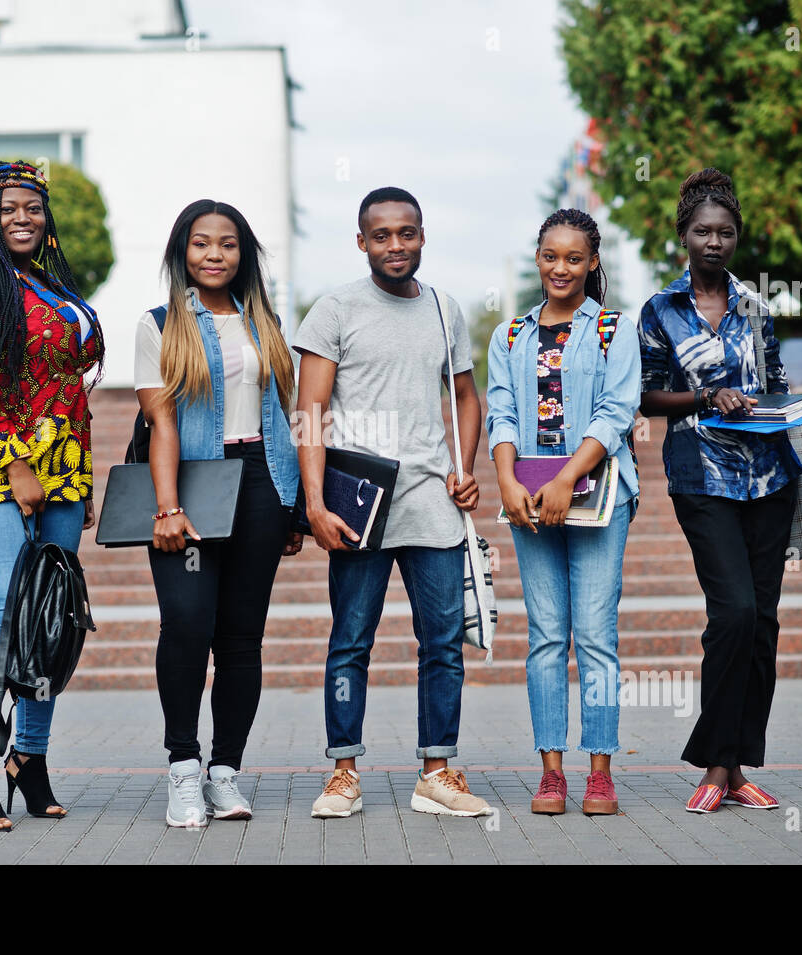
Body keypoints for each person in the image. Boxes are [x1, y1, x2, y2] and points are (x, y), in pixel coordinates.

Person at [295, 186, 491, 819]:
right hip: (360, 508)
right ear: (362, 242)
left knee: (443, 642)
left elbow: (466, 397)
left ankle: (437, 772)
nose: (395, 245)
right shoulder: (335, 309)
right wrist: (315, 504)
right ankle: (343, 774)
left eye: (406, 233)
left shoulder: (444, 309)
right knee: (351, 640)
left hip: (432, 504)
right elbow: (310, 413)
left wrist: (465, 468)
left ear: (422, 236)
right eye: (381, 236)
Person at [0, 159, 105, 831]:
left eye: (33, 206)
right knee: (2, 602)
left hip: (63, 469)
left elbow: (69, 389)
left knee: (52, 615)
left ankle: (28, 757)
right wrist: (16, 467)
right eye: (9, 208)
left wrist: (77, 478)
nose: (24, 218)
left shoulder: (53, 283)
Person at [134, 200, 303, 828]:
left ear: (243, 254)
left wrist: (292, 507)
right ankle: (183, 771)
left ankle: (225, 773)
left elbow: (285, 414)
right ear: (183, 252)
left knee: (241, 638)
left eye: (227, 244)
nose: (214, 254)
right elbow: (162, 422)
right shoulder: (159, 325)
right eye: (201, 243)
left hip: (260, 480)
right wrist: (169, 505)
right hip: (194, 484)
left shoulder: (266, 322)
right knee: (185, 626)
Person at [638, 168, 802, 814]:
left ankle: (736, 767)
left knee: (762, 622)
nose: (714, 241)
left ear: (738, 237)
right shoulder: (660, 311)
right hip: (701, 476)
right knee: (731, 610)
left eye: (725, 232)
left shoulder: (756, 307)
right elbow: (645, 395)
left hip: (770, 477)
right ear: (683, 234)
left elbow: (778, 379)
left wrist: (787, 407)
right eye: (703, 231)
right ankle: (714, 759)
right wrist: (706, 396)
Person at [485, 208, 641, 816]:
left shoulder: (611, 330)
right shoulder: (511, 336)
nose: (561, 267)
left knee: (596, 636)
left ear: (593, 263)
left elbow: (616, 410)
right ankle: (551, 772)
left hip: (598, 497)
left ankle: (600, 771)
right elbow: (501, 410)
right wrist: (504, 480)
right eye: (551, 255)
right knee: (547, 637)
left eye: (575, 258)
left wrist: (568, 477)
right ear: (538, 258)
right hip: (528, 499)